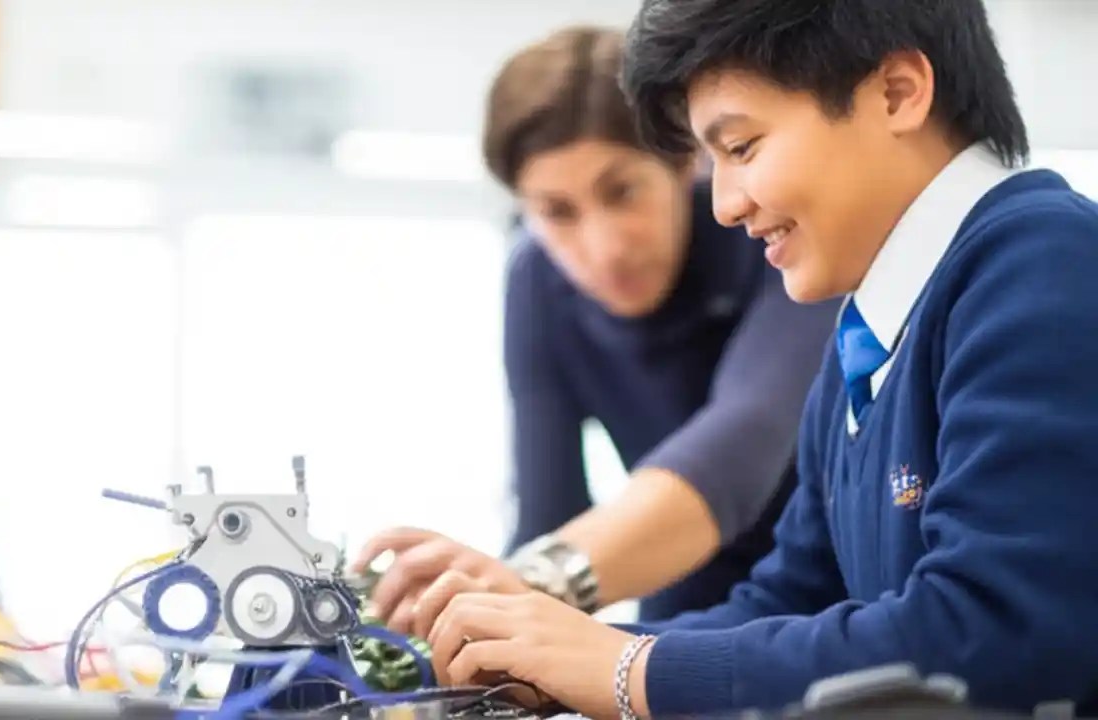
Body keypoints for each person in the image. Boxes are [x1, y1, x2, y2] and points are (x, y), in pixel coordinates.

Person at [403, 1, 1098, 718]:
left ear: (896, 92)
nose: (726, 205)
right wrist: (550, 658)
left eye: (741, 149)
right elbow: (788, 600)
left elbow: (992, 633)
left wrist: (622, 664)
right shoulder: (867, 338)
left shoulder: (1045, 265)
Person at [353, 26, 838, 630]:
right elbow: (546, 514)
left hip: (832, 606)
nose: (603, 248)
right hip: (676, 597)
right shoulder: (536, 281)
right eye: (557, 213)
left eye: (623, 191)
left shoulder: (768, 229)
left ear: (685, 159)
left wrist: (534, 583)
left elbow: (746, 439)